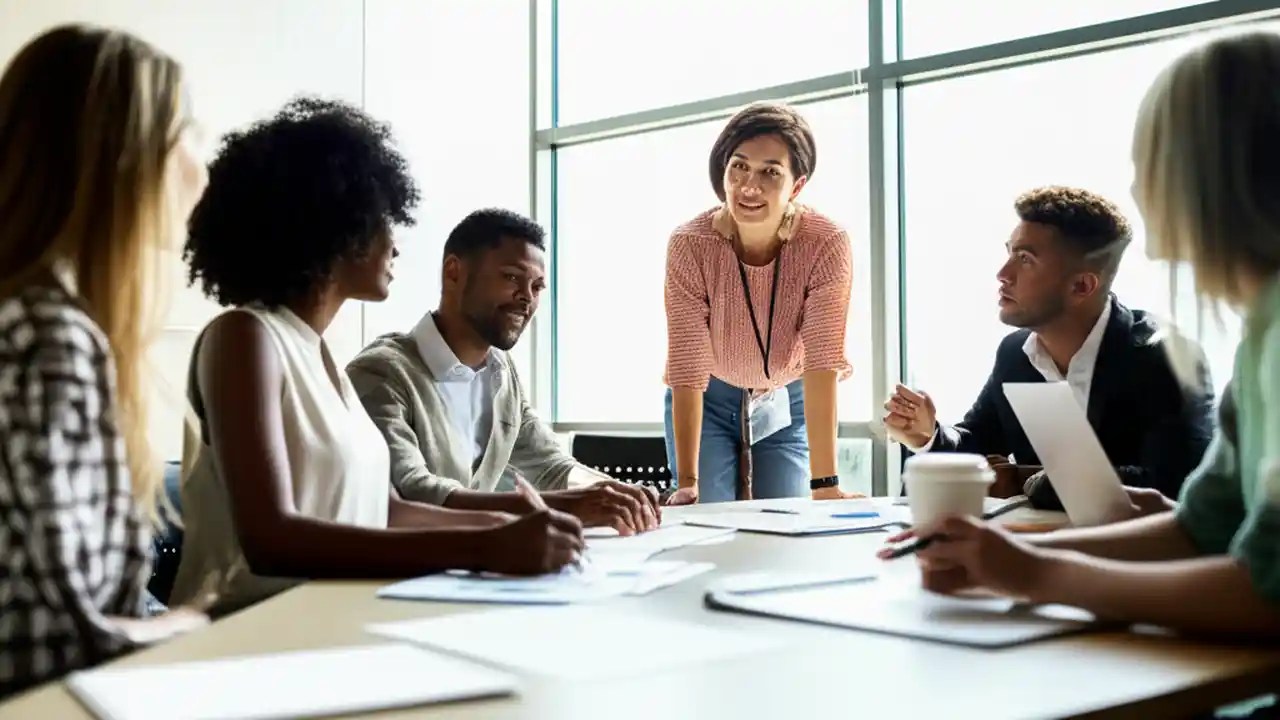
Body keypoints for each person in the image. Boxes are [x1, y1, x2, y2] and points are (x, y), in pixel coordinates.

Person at [882, 29, 1280, 646]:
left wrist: (1039, 571)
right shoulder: (1261, 337)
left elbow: (1265, 590)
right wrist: (995, 552)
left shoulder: (1202, 350)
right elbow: (1200, 528)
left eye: (1152, 163)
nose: (1142, 190)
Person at [169, 98, 583, 616]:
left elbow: (385, 511)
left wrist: (508, 526)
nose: (395, 244)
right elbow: (270, 538)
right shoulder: (245, 337)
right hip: (249, 633)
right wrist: (484, 546)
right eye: (382, 219)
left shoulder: (322, 359)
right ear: (333, 222)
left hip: (339, 621)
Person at [0, 25, 211, 696]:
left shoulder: (40, 319)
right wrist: (194, 629)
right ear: (122, 158)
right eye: (186, 135)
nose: (201, 167)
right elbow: (54, 634)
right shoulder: (49, 335)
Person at [883, 186, 1214, 510]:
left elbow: (1176, 484)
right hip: (1041, 548)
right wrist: (929, 435)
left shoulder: (1165, 357)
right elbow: (975, 444)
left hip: (1138, 560)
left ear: (1081, 286)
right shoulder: (1015, 353)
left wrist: (1033, 482)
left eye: (1025, 260)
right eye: (1009, 252)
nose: (1002, 274)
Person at [347, 209, 661, 536]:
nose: (526, 297)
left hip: (471, 570)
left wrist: (628, 496)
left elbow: (551, 466)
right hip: (395, 575)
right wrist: (570, 506)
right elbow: (413, 493)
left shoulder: (500, 371)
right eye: (511, 277)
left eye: (537, 286)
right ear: (453, 273)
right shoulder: (380, 372)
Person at [663, 102, 859, 505]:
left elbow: (823, 360)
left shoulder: (825, 243)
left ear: (797, 185)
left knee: (784, 514)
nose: (749, 186)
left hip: (788, 394)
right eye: (739, 167)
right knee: (708, 514)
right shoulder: (690, 243)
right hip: (709, 396)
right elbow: (687, 362)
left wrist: (826, 484)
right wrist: (687, 482)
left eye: (770, 172)